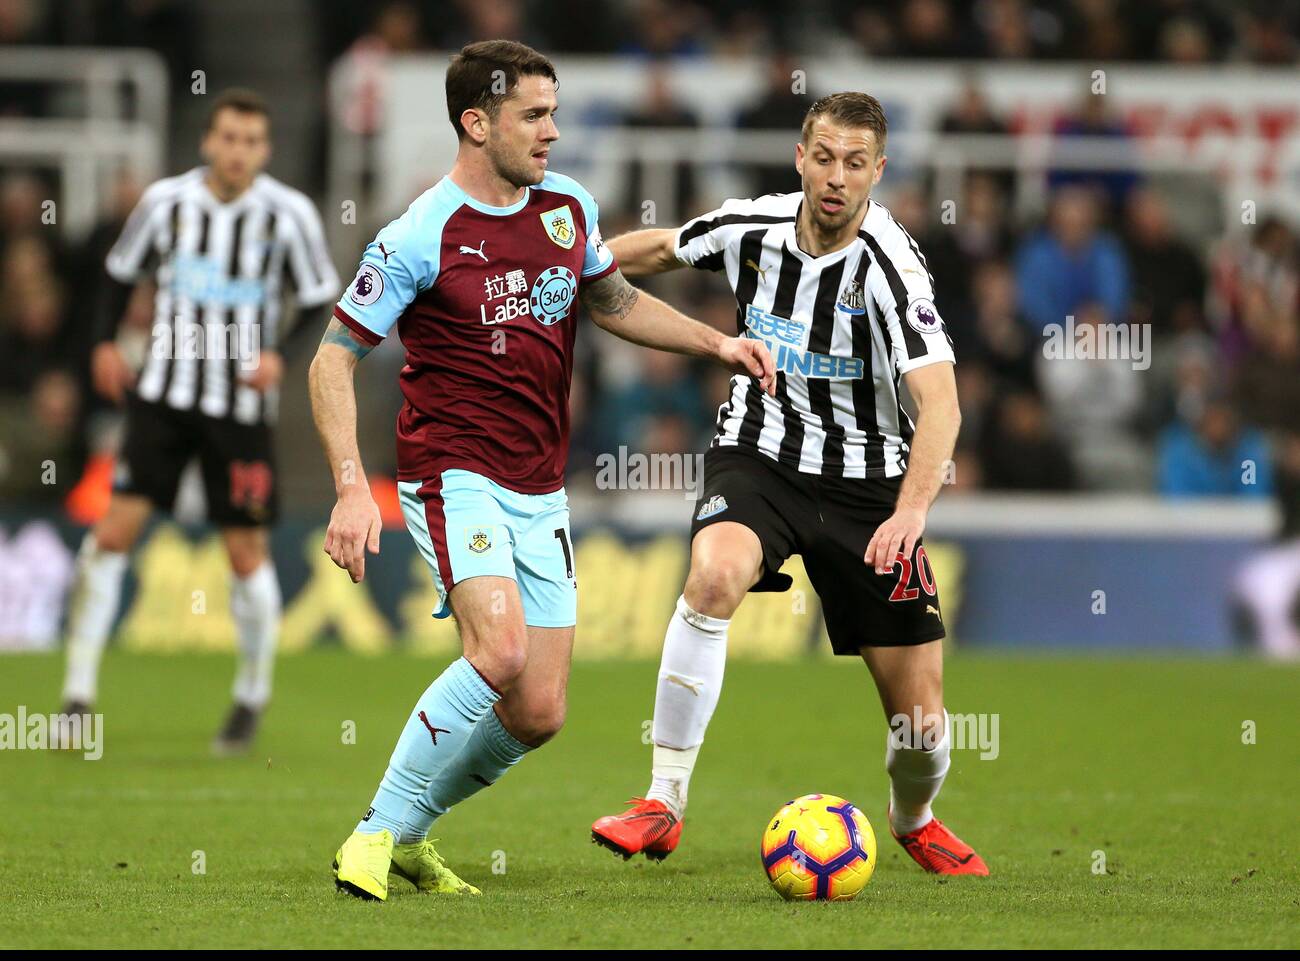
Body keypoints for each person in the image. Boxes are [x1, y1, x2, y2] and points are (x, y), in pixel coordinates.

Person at [310, 39, 775, 901]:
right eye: (534, 115)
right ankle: (371, 833)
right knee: (499, 650)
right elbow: (331, 360)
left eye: (554, 112)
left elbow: (615, 301)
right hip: (454, 470)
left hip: (537, 481)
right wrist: (348, 482)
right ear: (476, 123)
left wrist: (718, 341)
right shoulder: (420, 233)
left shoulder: (566, 208)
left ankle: (410, 836)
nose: (553, 132)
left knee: (539, 710)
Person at [591, 91, 989, 876]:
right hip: (762, 452)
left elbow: (941, 403)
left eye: (855, 163)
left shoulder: (890, 268)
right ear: (801, 157)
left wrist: (911, 513)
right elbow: (661, 250)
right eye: (824, 157)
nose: (836, 178)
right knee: (712, 576)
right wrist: (575, 266)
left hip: (871, 489)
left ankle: (915, 817)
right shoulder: (754, 228)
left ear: (879, 170)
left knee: (922, 728)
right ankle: (662, 801)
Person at [59, 88, 340, 753]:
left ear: (264, 150)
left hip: (240, 408)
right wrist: (103, 342)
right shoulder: (165, 203)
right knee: (112, 533)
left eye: (251, 141)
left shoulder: (288, 214)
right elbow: (119, 273)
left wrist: (279, 353)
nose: (238, 151)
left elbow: (320, 295)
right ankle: (76, 694)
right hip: (163, 396)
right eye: (229, 138)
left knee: (244, 550)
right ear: (207, 141)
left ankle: (250, 694)